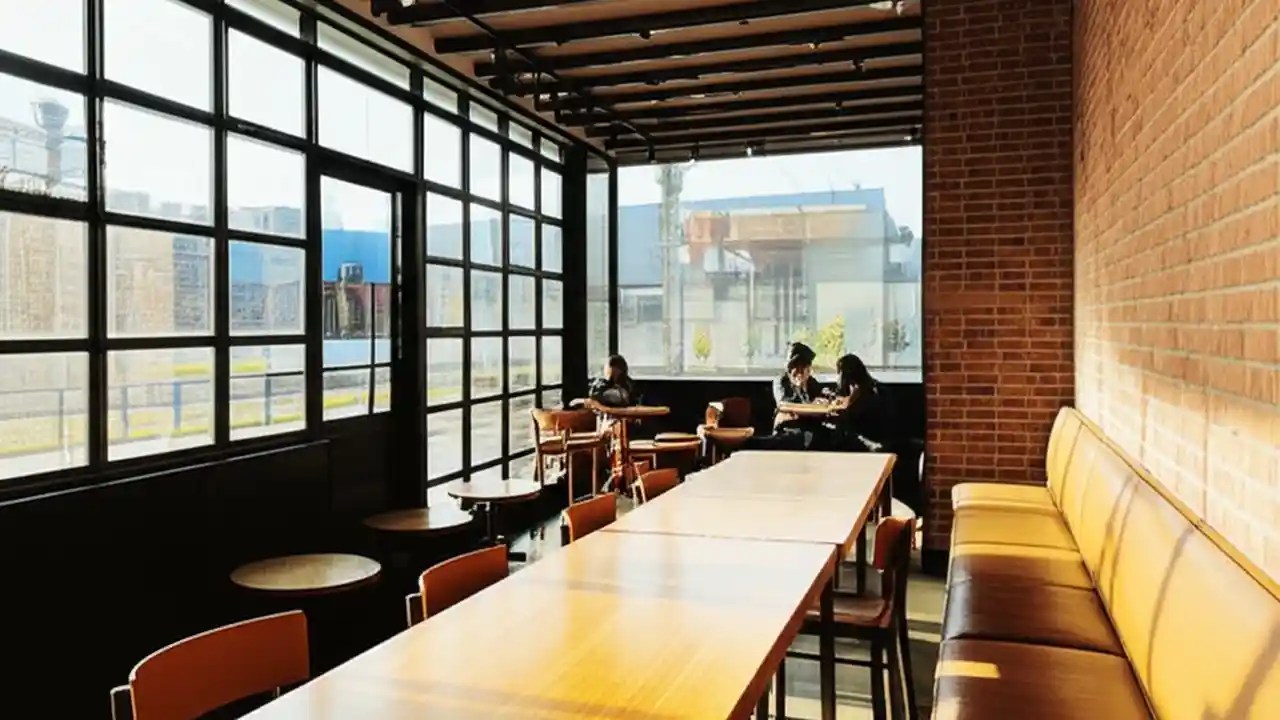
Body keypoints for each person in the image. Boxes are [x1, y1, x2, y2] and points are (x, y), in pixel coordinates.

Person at [826, 353, 895, 452]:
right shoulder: (871, 386)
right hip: (881, 435)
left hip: (867, 437)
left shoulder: (860, 390)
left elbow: (849, 413)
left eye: (839, 373)